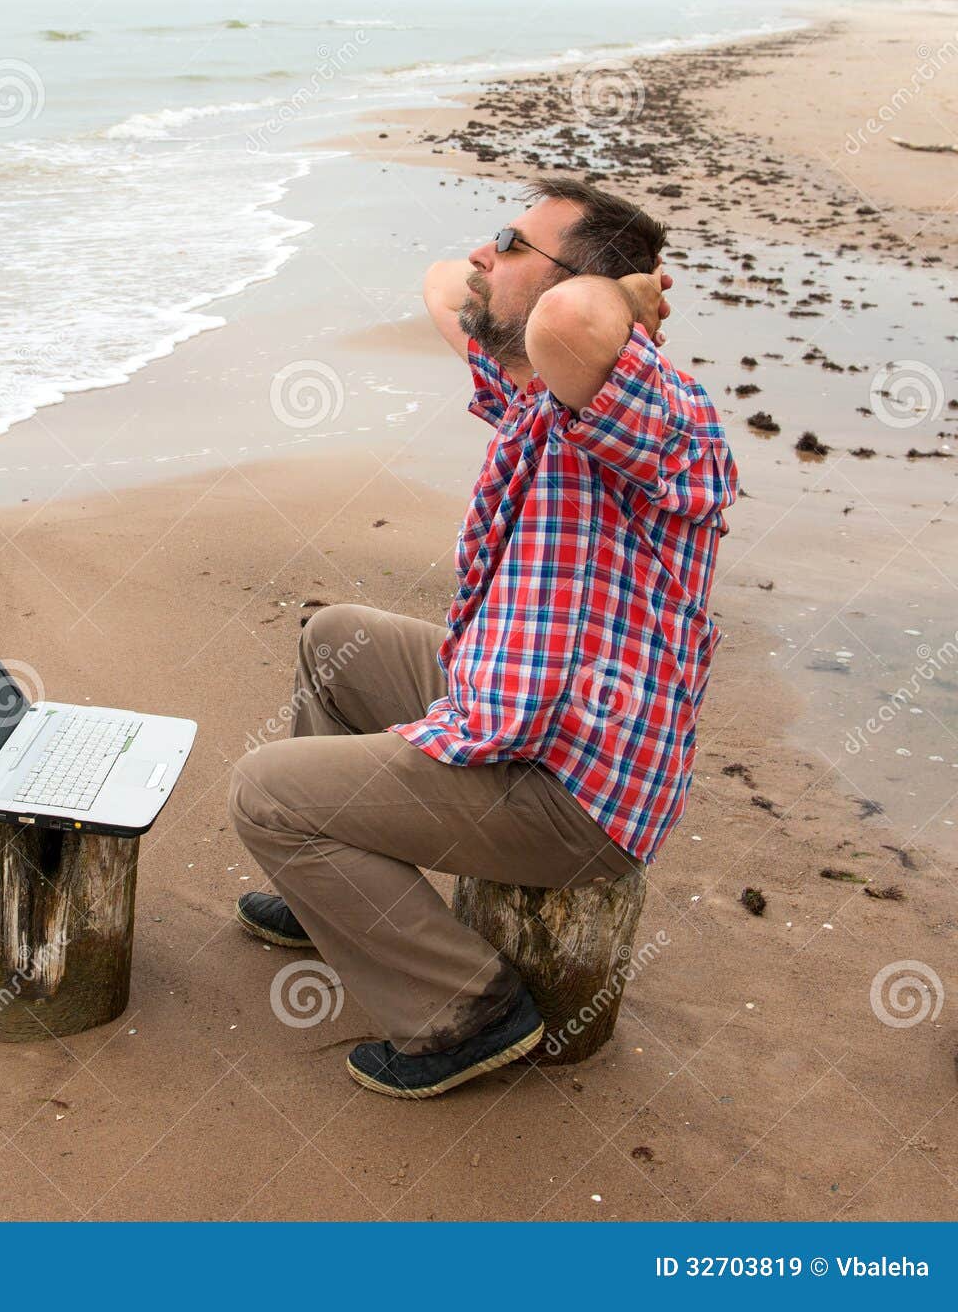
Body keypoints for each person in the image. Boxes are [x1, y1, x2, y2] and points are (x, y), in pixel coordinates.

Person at [229, 176, 739, 1098]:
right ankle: (333, 902)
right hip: (519, 714)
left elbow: (570, 324)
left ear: (579, 290)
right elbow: (443, 284)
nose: (480, 253)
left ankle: (465, 1010)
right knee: (333, 640)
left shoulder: (657, 412)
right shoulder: (541, 395)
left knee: (265, 795)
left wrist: (613, 296)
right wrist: (525, 275)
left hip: (572, 792)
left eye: (508, 241)